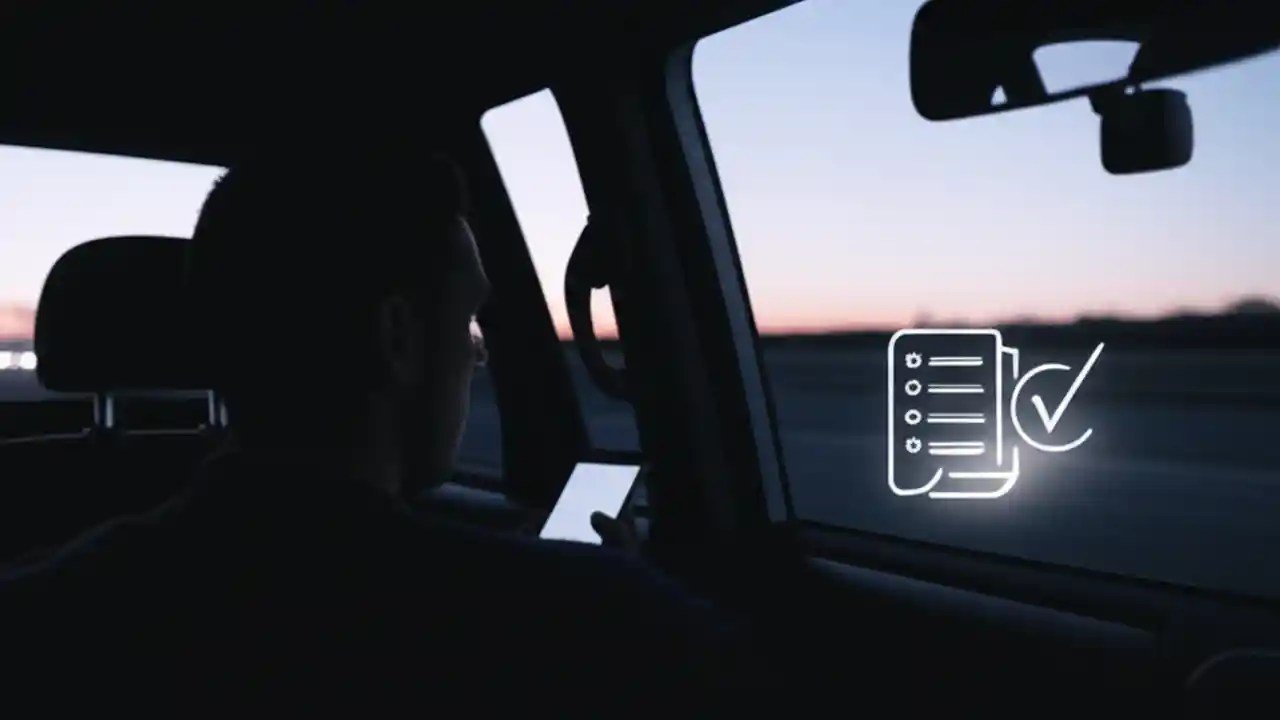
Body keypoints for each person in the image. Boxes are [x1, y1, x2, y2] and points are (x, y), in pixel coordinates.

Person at [0, 149, 766, 712]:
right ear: (398, 337)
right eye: (466, 324)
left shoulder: (47, 616)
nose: (476, 358)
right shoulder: (588, 626)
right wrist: (604, 582)